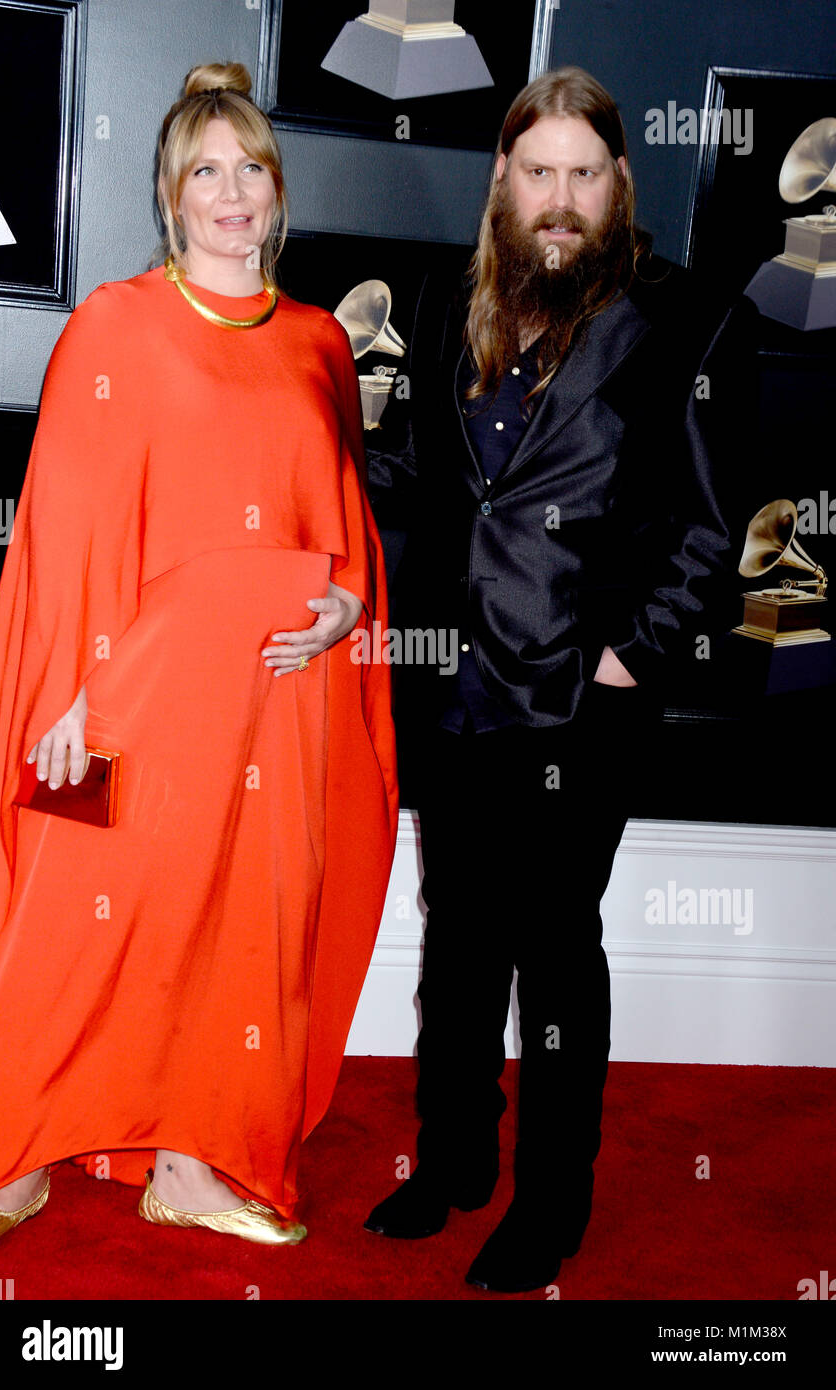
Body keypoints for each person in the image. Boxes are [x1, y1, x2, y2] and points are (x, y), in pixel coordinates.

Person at [0, 61, 397, 1261]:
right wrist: (66, 695)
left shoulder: (320, 344)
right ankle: (14, 1150)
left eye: (249, 169)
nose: (229, 192)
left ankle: (192, 1159)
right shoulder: (114, 323)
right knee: (75, 913)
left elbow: (348, 524)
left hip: (275, 687)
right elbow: (61, 529)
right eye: (203, 171)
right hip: (129, 689)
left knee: (243, 918)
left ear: (276, 189)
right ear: (170, 194)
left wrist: (346, 605)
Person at [363, 66, 757, 1292]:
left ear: (618, 184)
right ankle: (451, 1163)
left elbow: (711, 523)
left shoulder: (684, 317)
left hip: (581, 708)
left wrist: (630, 652)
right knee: (460, 938)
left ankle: (550, 1203)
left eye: (586, 172)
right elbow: (417, 489)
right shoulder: (442, 302)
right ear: (503, 180)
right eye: (540, 171)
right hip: (459, 691)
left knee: (552, 948)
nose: (562, 196)